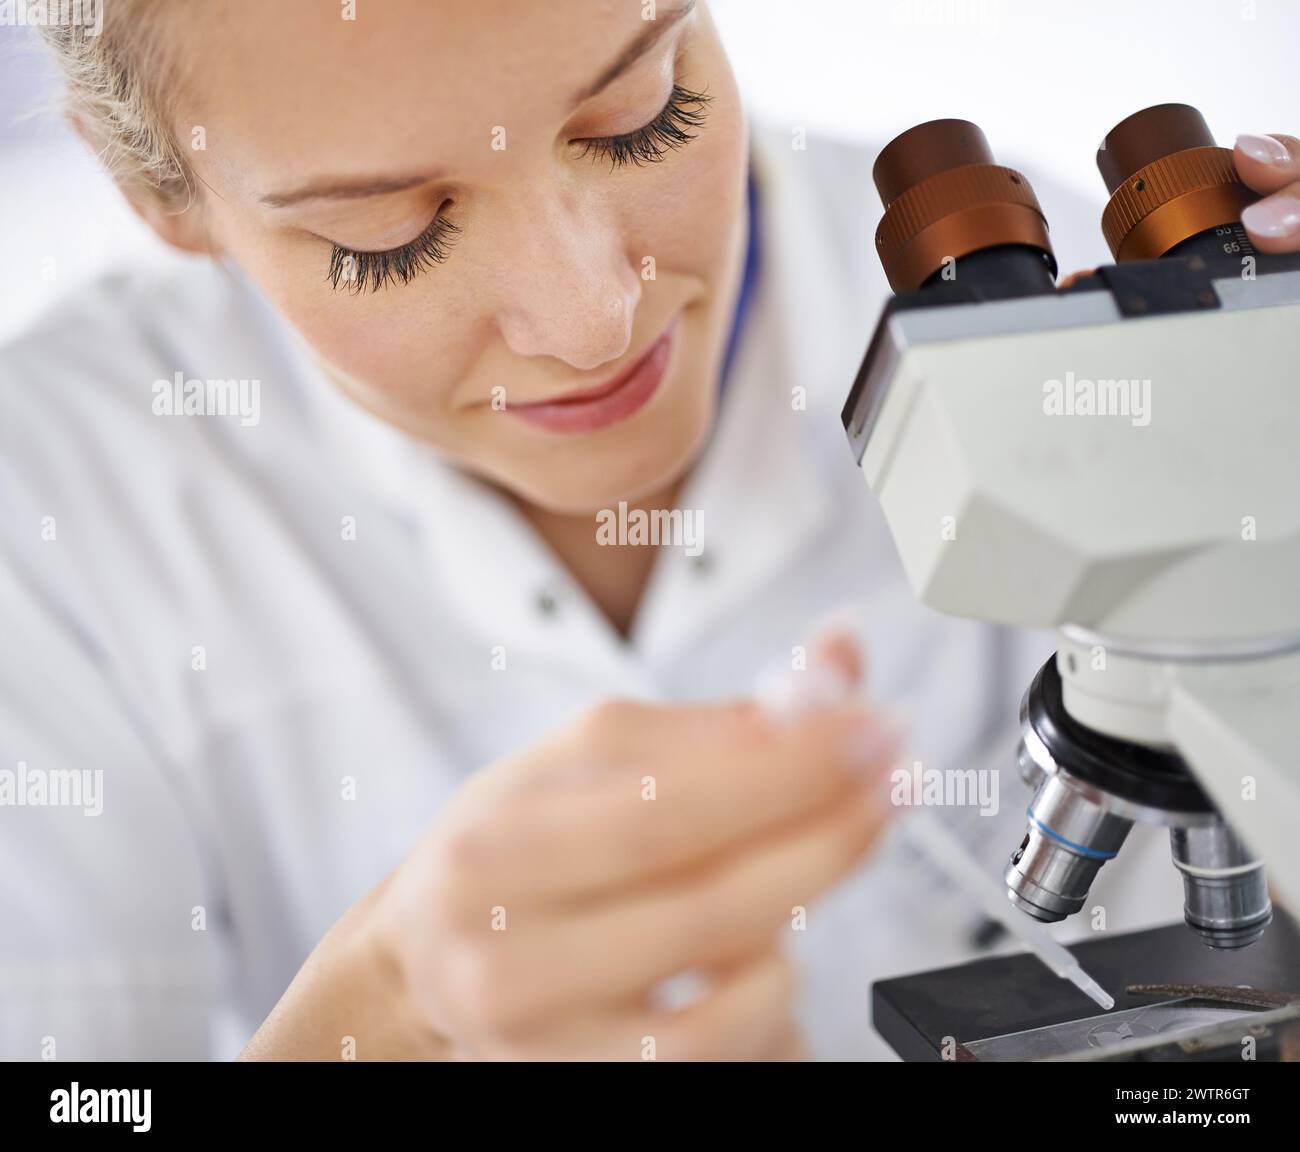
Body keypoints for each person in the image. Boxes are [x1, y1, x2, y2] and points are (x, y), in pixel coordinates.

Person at [2, 0, 1297, 1061]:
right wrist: (378, 1019)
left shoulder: (1093, 330)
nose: (592, 318)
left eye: (641, 117)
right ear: (156, 190)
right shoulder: (56, 493)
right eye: (390, 238)